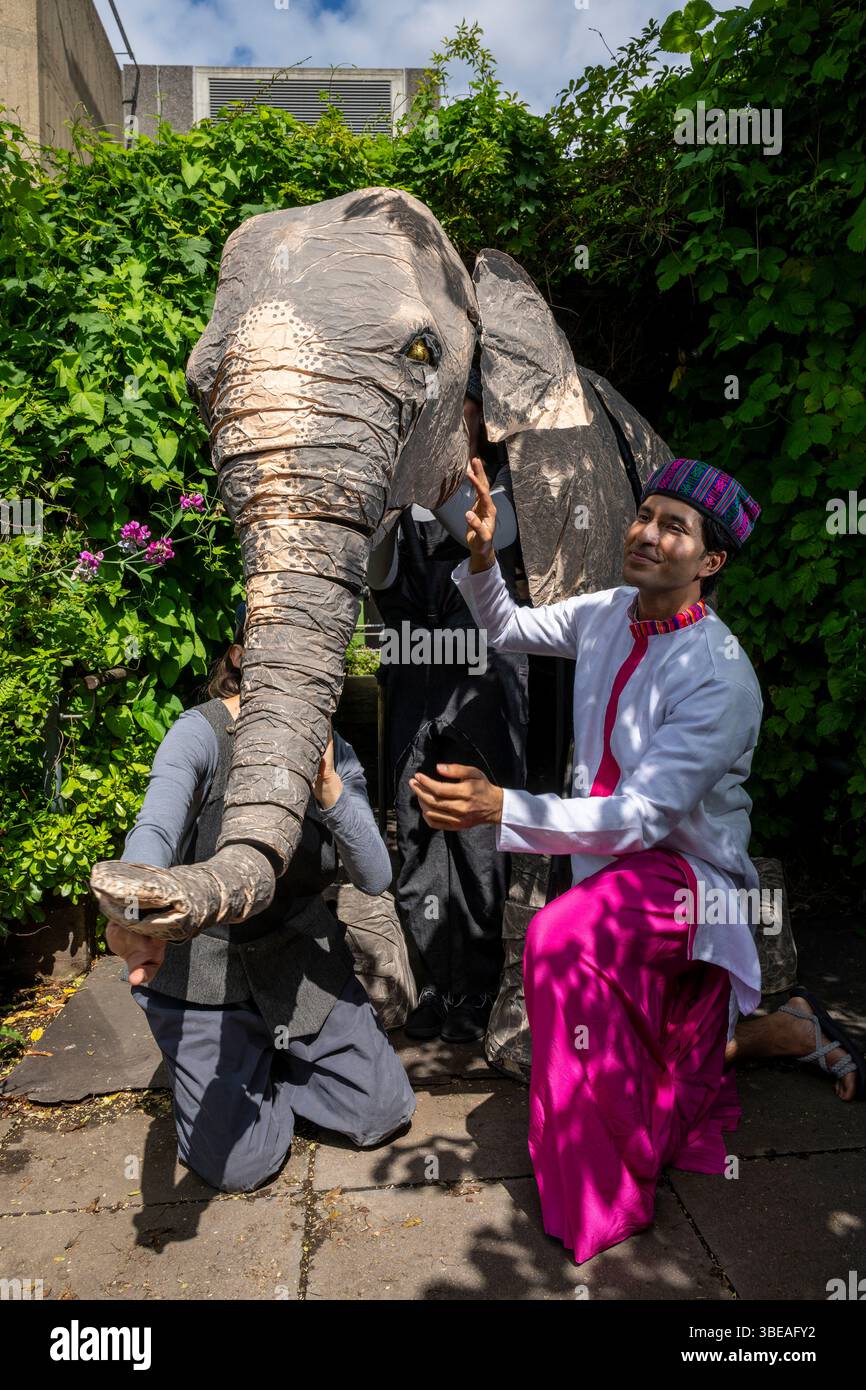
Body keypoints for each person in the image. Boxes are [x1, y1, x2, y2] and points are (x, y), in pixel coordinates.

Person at [410, 454, 864, 1265]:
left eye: (674, 527)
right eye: (645, 514)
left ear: (710, 561)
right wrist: (481, 559)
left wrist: (501, 807)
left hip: (690, 878)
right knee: (631, 1030)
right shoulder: (609, 611)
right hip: (611, 867)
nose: (647, 534)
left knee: (560, 940)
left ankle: (599, 1203)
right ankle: (779, 1035)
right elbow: (510, 629)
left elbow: (643, 818)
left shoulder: (720, 676)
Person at [105, 602, 416, 1194]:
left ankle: (272, 1065)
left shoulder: (336, 751)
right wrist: (137, 903)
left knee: (383, 1113)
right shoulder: (199, 733)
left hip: (298, 963)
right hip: (203, 974)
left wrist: (331, 792)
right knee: (241, 1168)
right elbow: (155, 828)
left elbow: (375, 876)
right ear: (242, 658)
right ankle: (228, 1075)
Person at [367, 363, 529, 1043]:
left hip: (481, 683)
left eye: (453, 412)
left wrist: (441, 484)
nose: (438, 424)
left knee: (479, 839)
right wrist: (386, 506)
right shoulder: (394, 493)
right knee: (418, 828)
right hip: (411, 677)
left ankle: (480, 990)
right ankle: (434, 982)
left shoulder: (503, 490)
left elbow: (499, 541)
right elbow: (375, 573)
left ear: (477, 419)